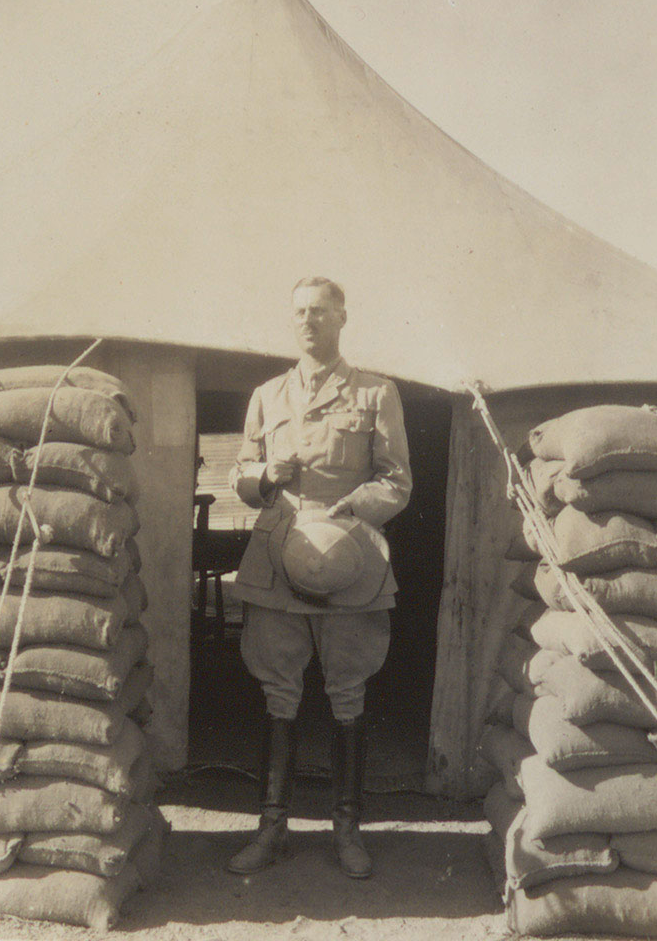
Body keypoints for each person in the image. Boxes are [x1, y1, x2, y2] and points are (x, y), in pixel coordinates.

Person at [227, 276, 412, 879]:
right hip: (278, 558)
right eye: (300, 312)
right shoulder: (267, 395)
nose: (309, 320)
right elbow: (241, 473)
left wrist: (353, 509)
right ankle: (270, 829)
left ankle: (347, 832)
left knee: (348, 694)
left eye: (320, 311)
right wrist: (263, 476)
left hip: (348, 561)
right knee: (277, 693)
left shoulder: (376, 393)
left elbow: (397, 482)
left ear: (342, 318)